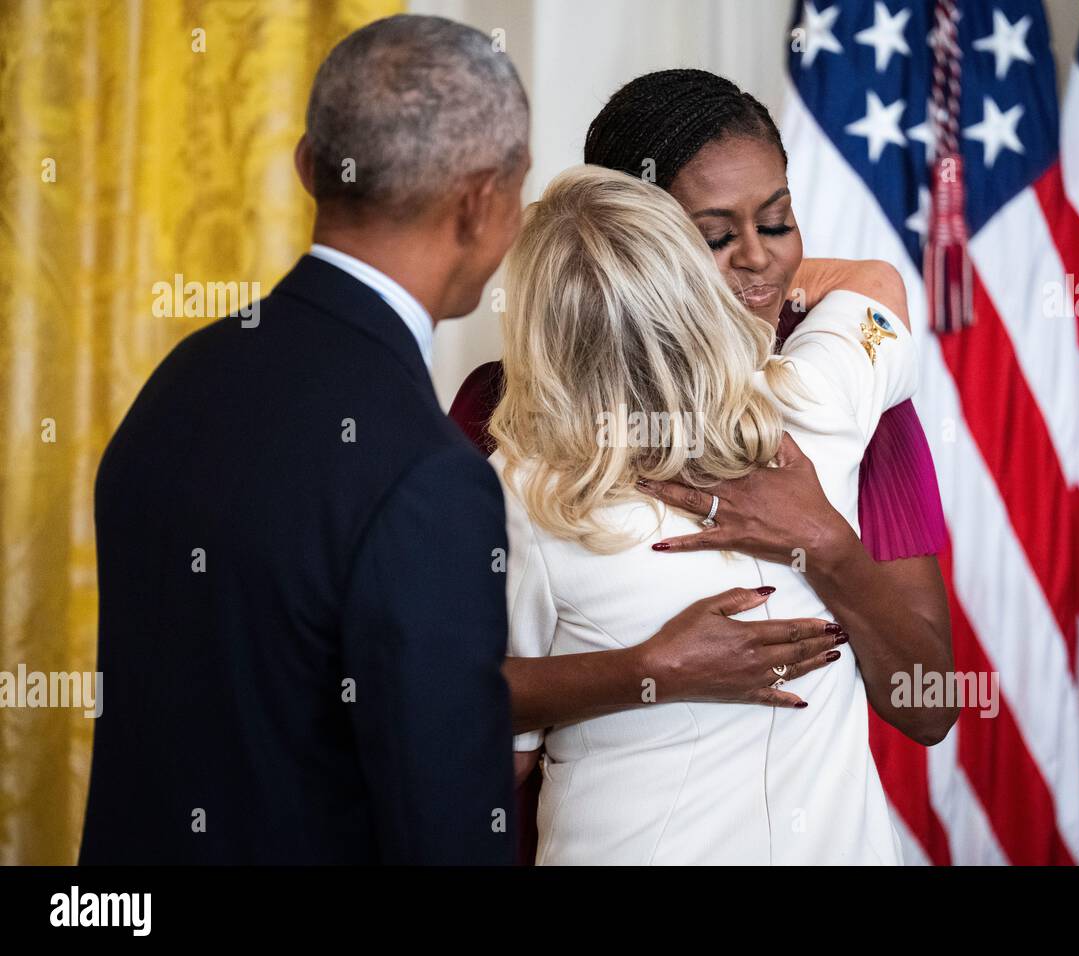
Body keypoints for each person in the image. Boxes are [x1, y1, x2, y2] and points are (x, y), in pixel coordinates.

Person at [449, 69, 955, 861]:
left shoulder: (830, 401)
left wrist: (821, 539)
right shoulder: (504, 439)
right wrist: (651, 669)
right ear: (638, 251)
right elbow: (468, 716)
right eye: (713, 238)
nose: (758, 261)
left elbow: (931, 706)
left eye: (778, 221)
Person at [80, 15, 532, 864]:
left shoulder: (179, 383)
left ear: (306, 166)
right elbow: (450, 834)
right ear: (480, 204)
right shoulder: (429, 476)